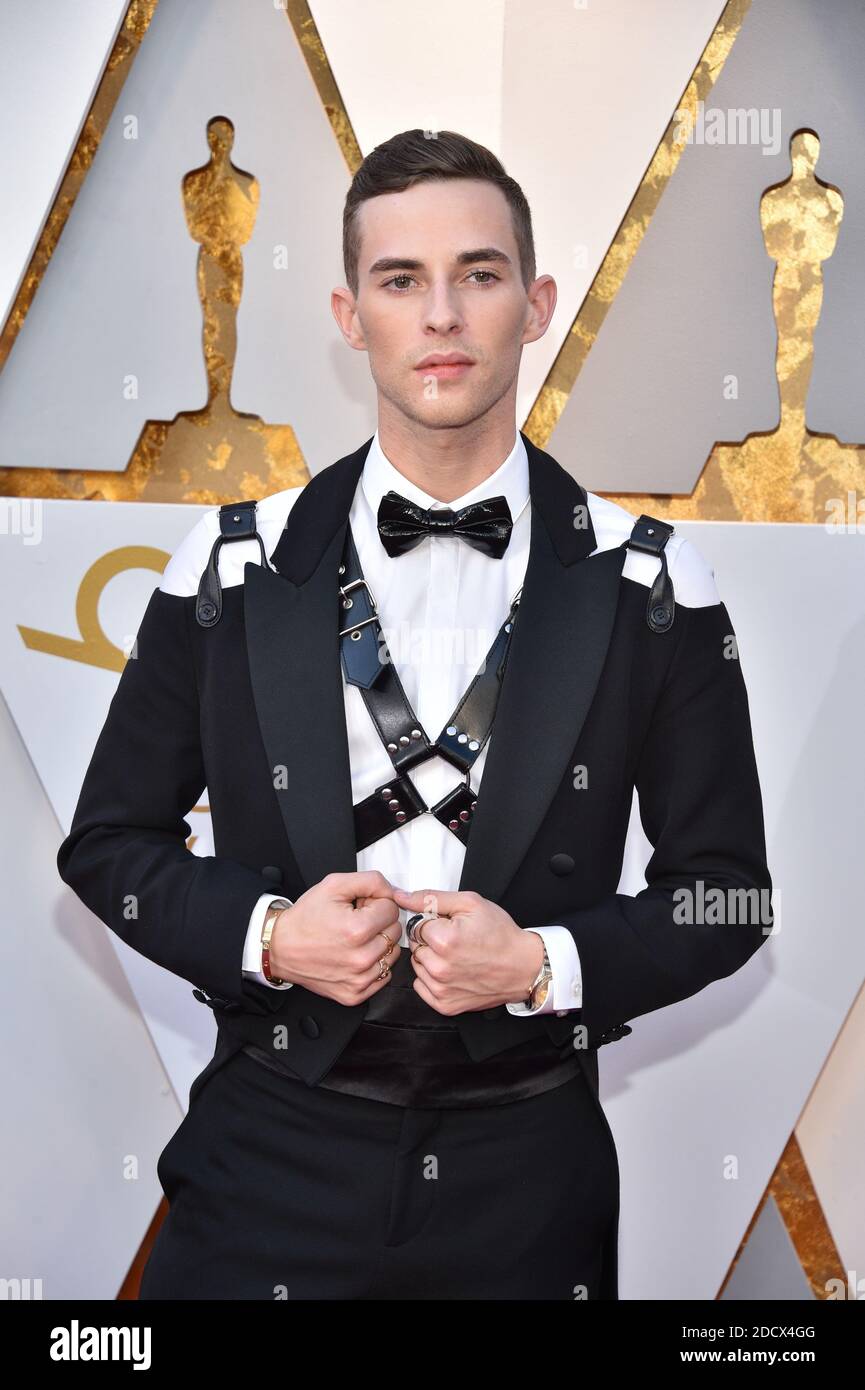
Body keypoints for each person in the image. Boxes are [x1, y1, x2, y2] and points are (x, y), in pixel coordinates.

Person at [56, 128, 773, 1301]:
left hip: (528, 1179)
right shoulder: (232, 560)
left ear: (534, 303)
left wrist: (544, 961)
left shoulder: (655, 580)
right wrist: (270, 935)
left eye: (478, 275)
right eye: (401, 281)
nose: (441, 314)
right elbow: (106, 845)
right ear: (351, 315)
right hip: (265, 1157)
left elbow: (728, 895)